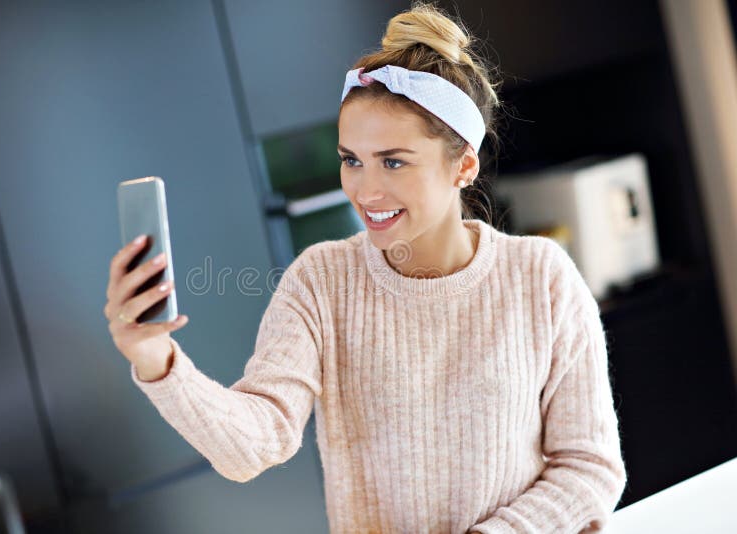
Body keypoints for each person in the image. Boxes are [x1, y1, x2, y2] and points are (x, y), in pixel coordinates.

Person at [103, 2, 627, 532]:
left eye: (393, 161)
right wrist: (157, 360)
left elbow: (590, 468)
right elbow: (253, 445)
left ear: (463, 166)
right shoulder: (321, 282)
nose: (364, 189)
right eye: (351, 159)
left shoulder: (541, 278)